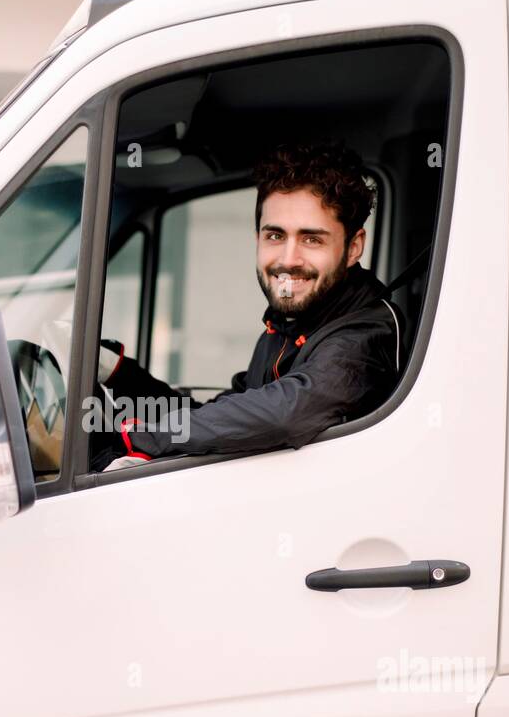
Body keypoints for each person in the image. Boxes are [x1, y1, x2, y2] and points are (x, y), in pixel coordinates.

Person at [89, 140, 406, 472]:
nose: (288, 259)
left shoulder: (367, 334)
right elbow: (218, 417)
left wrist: (137, 440)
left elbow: (286, 413)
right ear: (258, 239)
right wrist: (122, 374)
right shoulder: (285, 325)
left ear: (354, 247)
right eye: (275, 236)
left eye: (312, 239)